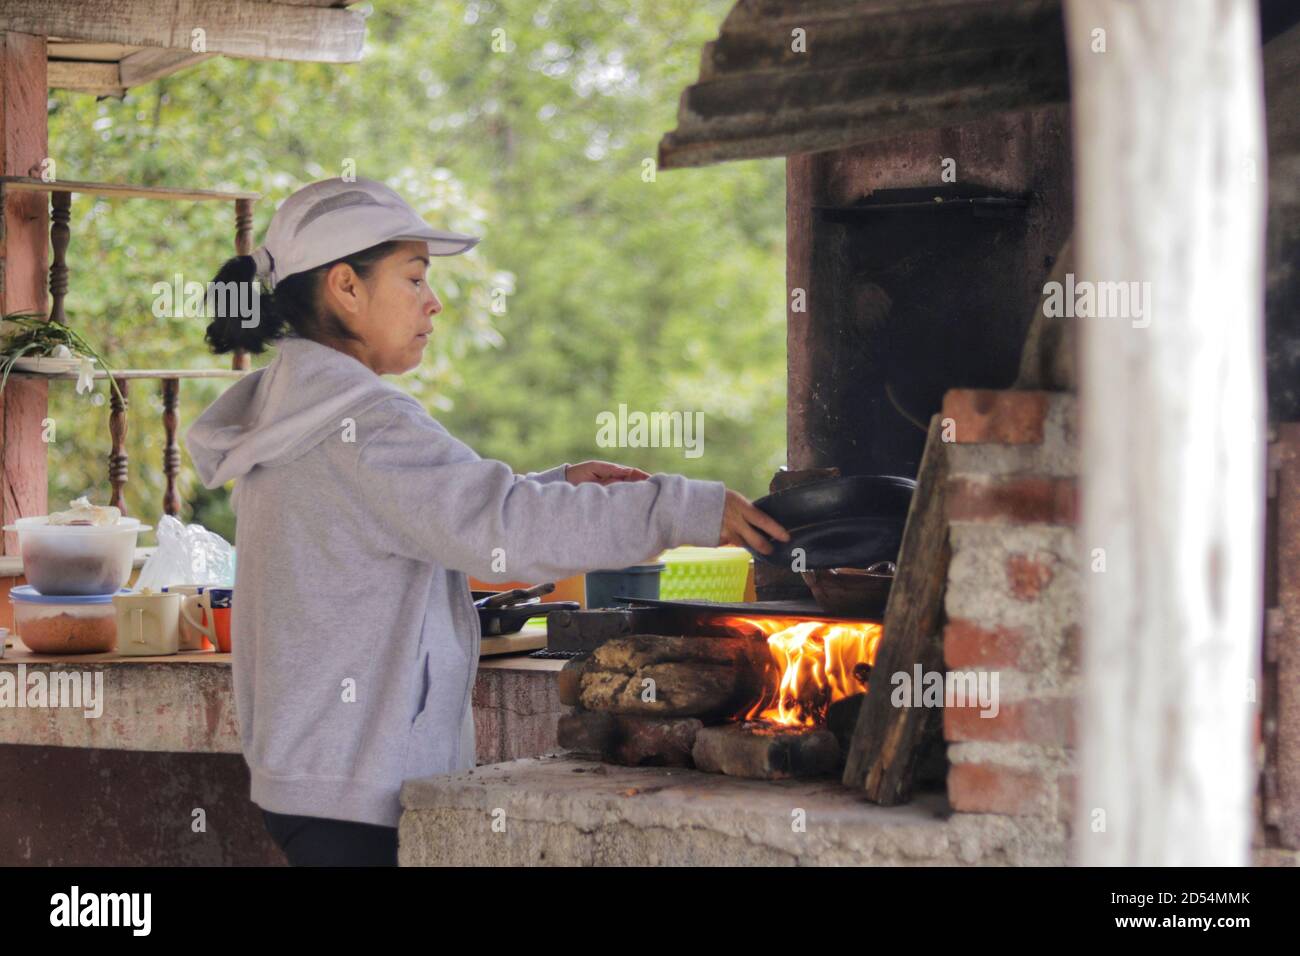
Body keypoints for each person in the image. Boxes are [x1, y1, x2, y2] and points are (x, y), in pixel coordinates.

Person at [184, 177, 788, 866]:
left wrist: (553, 485)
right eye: (414, 279)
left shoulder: (299, 412)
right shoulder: (366, 424)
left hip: (316, 784)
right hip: (356, 794)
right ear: (346, 288)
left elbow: (423, 520)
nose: (432, 302)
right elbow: (504, 530)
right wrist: (685, 509)